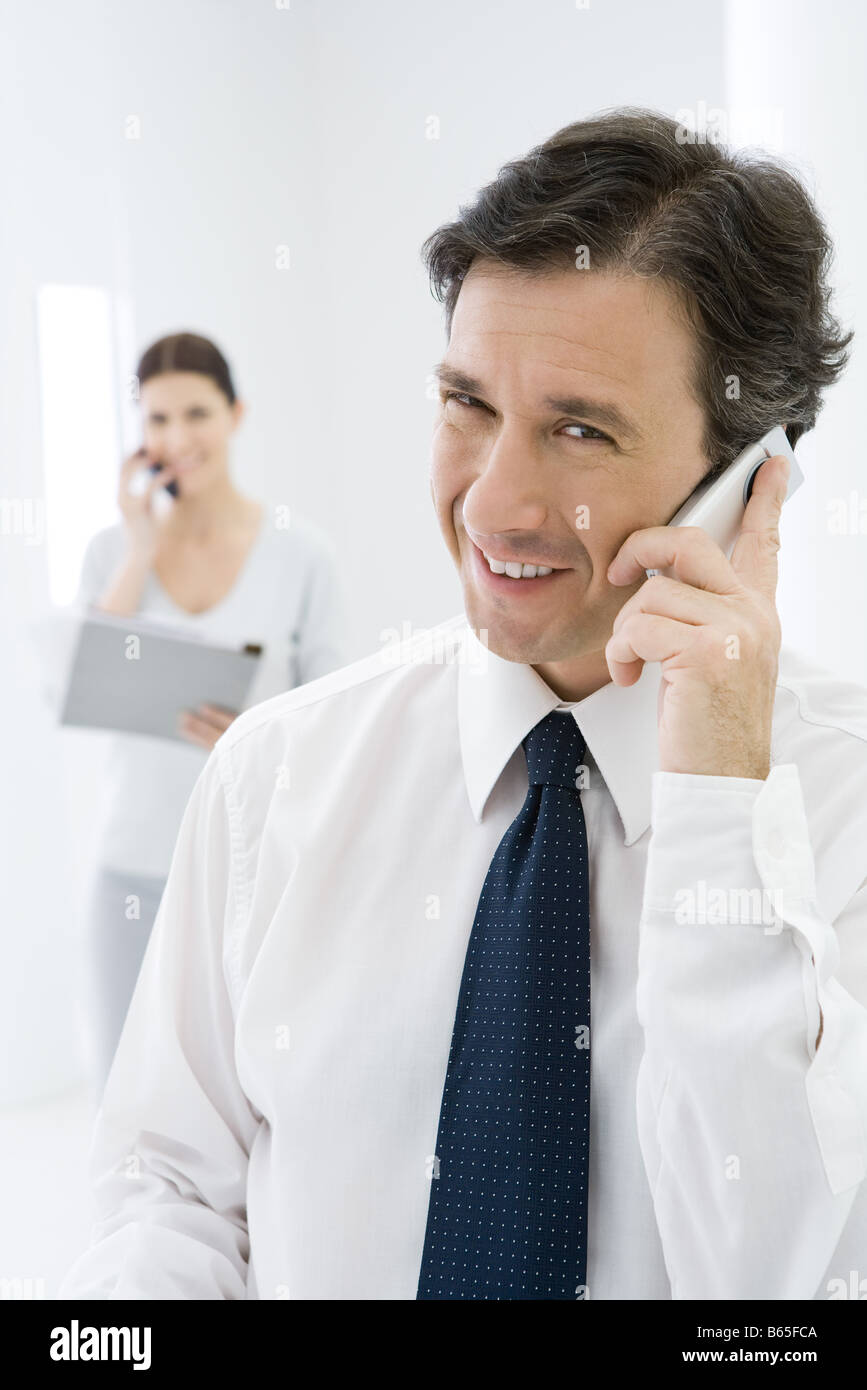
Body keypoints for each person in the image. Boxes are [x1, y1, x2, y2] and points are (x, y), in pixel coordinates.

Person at [58, 110, 867, 1301]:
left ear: (749, 480)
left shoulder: (843, 806)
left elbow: (774, 1289)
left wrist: (719, 805)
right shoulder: (277, 776)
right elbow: (171, 1188)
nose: (492, 504)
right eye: (467, 405)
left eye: (580, 429)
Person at [71, 332, 348, 1096]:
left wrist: (252, 741)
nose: (177, 437)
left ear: (235, 415)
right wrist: (139, 547)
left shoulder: (301, 555)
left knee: (249, 1096)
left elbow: (335, 725)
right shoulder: (110, 552)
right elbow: (88, 685)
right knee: (125, 1099)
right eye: (157, 420)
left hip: (253, 867)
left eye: (196, 413)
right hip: (134, 863)